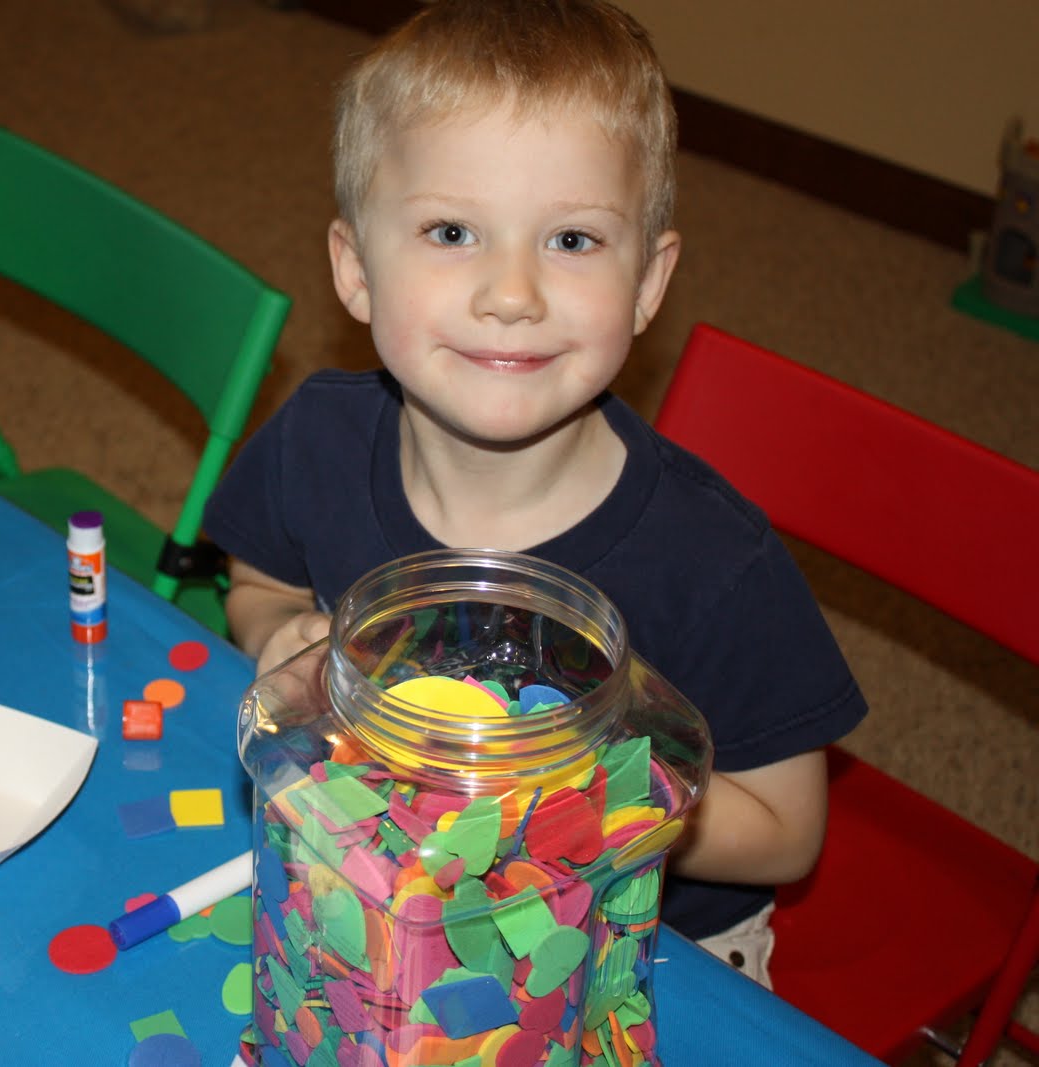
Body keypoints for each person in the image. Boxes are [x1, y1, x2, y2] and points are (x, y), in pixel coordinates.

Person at [201, 0, 867, 985]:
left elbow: (782, 836)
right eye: (451, 229)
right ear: (354, 270)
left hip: (645, 942)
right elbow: (254, 578)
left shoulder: (712, 562)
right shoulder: (319, 438)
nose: (510, 291)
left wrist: (574, 802)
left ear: (647, 282)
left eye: (571, 241)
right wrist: (275, 631)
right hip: (394, 881)